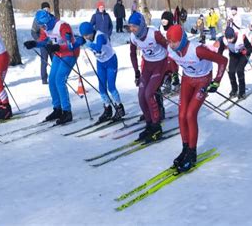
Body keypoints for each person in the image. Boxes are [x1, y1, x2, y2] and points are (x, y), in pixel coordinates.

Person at [166, 24, 227, 173]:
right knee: (181, 115)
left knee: (190, 114)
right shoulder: (172, 50)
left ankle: (192, 154)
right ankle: (185, 149)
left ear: (181, 40)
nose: (171, 45)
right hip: (187, 79)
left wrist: (217, 81)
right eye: (169, 41)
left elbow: (223, 61)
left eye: (173, 41)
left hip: (203, 80)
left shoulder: (197, 50)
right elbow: (172, 60)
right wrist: (174, 74)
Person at [24, 10, 79, 124]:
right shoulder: (45, 28)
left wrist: (58, 48)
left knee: (59, 80)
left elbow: (71, 45)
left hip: (70, 54)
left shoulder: (62, 26)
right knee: (52, 80)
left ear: (48, 21)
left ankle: (67, 111)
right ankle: (57, 108)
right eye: (41, 26)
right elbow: (43, 41)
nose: (43, 28)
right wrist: (34, 43)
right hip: (59, 54)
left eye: (43, 25)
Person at [67, 22, 125, 122]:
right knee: (101, 87)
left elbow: (98, 47)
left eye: (87, 35)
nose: (86, 37)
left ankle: (119, 108)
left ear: (91, 32)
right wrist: (69, 40)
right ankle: (107, 109)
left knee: (111, 87)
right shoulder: (85, 38)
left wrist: (86, 42)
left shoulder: (100, 36)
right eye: (84, 36)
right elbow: (71, 47)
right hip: (101, 63)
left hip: (111, 61)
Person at [128, 12, 168, 142]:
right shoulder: (133, 37)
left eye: (135, 26)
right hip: (147, 67)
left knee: (149, 94)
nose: (132, 29)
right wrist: (136, 72)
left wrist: (171, 67)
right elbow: (132, 54)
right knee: (141, 96)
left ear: (142, 25)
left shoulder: (153, 33)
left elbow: (168, 46)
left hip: (160, 64)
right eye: (130, 26)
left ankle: (157, 127)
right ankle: (149, 124)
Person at [217, 27, 252, 99]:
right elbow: (220, 50)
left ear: (234, 35)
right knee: (231, 72)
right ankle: (234, 90)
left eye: (231, 38)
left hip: (243, 55)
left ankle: (242, 92)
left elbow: (251, 48)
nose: (230, 40)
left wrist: (246, 51)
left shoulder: (242, 37)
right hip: (233, 55)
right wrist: (219, 59)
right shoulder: (224, 40)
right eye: (228, 38)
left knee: (239, 70)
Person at [31, 2, 53, 84]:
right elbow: (33, 32)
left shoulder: (52, 17)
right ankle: (44, 79)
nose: (47, 10)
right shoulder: (38, 19)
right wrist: (39, 40)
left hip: (52, 43)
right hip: (43, 44)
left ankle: (57, 77)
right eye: (45, 9)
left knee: (55, 61)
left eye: (48, 8)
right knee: (44, 61)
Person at [160, 11, 180, 94]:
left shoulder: (174, 29)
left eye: (165, 21)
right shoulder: (161, 28)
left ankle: (176, 81)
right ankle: (167, 83)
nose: (164, 24)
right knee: (163, 67)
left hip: (173, 52)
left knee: (171, 63)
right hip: (163, 51)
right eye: (162, 21)